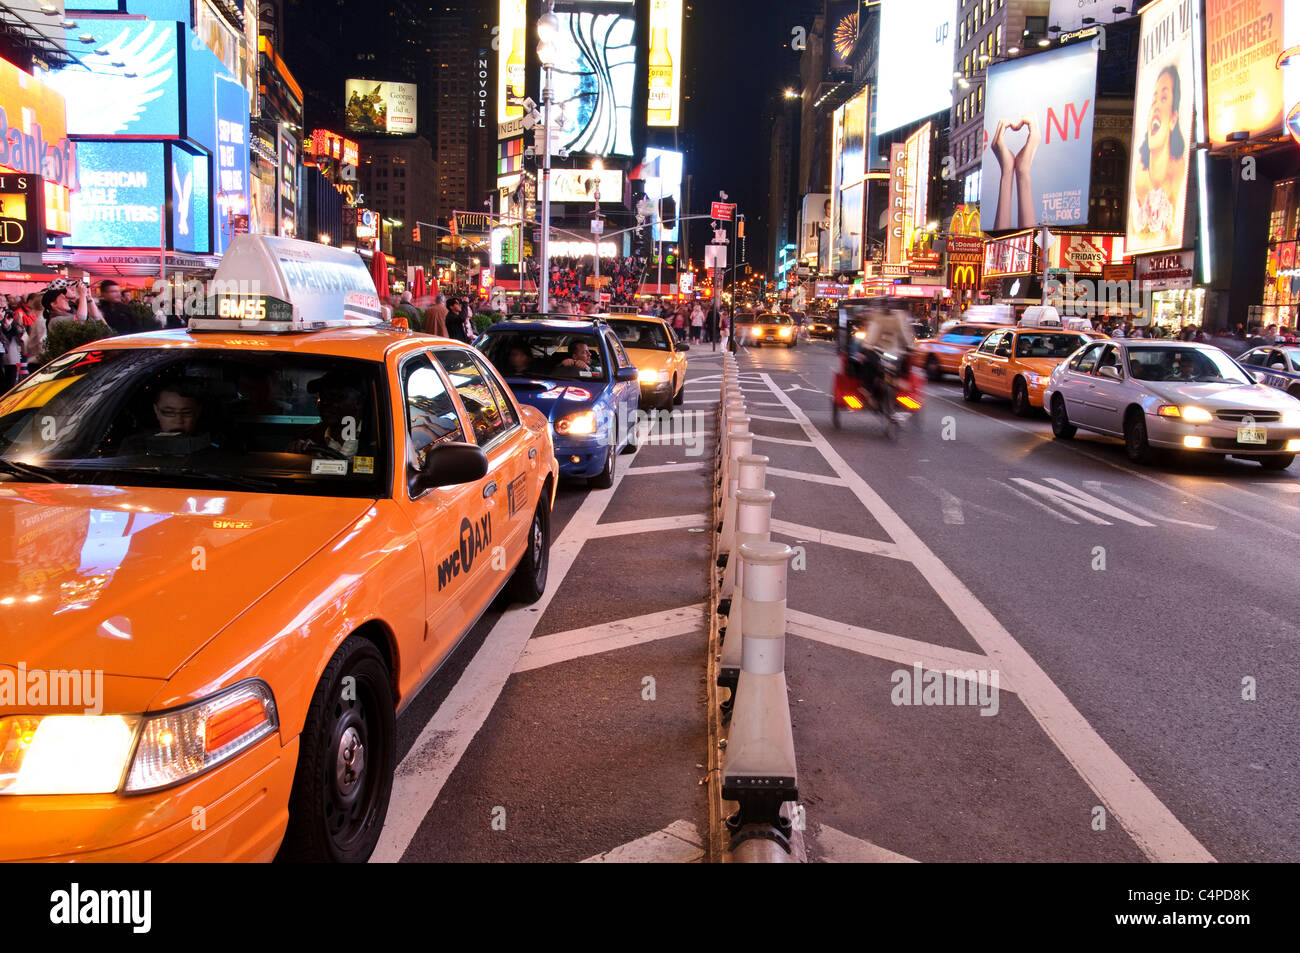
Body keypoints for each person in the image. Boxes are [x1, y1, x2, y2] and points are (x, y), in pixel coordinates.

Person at [1131, 64, 1188, 248]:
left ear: (1173, 118)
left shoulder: (1180, 171)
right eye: (1153, 100)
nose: (1155, 107)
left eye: (1163, 98)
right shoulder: (1138, 176)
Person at [118, 381, 212, 456]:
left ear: (198, 412)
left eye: (186, 413)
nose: (178, 420)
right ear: (156, 411)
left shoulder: (210, 447)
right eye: (169, 412)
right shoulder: (134, 446)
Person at [288, 370, 366, 457]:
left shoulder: (377, 437)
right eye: (322, 397)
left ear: (358, 402)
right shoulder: (307, 436)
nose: (325, 402)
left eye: (335, 397)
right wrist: (302, 454)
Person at [1, 307, 26, 391]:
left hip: (8, 358)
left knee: (8, 387)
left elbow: (18, 332)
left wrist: (8, 325)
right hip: (6, 358)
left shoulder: (8, 321)